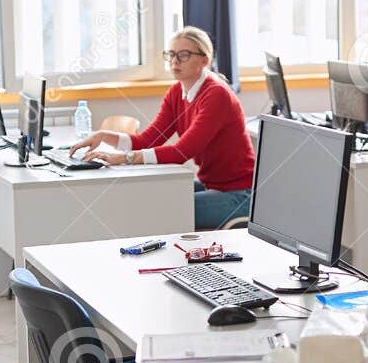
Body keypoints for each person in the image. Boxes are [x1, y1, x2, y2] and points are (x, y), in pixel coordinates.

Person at [68, 27, 255, 229]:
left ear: (204, 59)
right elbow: (147, 140)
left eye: (184, 55)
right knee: (149, 199)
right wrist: (103, 136)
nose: (175, 61)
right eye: (171, 54)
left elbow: (180, 152)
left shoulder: (216, 94)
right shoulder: (177, 92)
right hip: (214, 186)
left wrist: (123, 159)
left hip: (241, 194)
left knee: (158, 210)